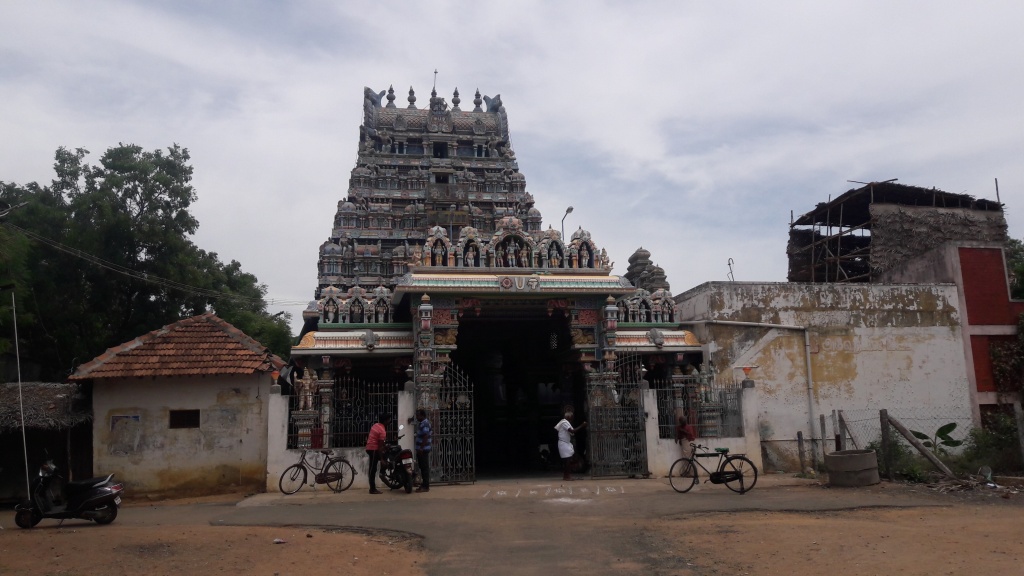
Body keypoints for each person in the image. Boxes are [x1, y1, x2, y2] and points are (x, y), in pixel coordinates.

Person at [554, 406, 587, 481]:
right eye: (572, 417)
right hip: (564, 443)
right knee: (567, 460)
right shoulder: (564, 422)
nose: (572, 419)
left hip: (566, 443)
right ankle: (566, 476)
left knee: (569, 460)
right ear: (569, 417)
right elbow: (572, 431)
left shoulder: (566, 423)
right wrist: (582, 425)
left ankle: (567, 475)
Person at [365, 413, 390, 494]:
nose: (389, 421)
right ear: (385, 421)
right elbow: (379, 447)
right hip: (373, 449)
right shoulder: (382, 431)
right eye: (388, 420)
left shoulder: (375, 425)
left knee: (386, 454)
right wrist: (382, 459)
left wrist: (385, 447)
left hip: (371, 448)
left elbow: (380, 443)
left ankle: (382, 472)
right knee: (372, 469)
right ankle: (372, 489)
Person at [414, 408, 432, 493]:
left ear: (422, 415)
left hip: (423, 449)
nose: (417, 417)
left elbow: (425, 436)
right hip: (422, 449)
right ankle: (424, 484)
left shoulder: (424, 423)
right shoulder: (422, 423)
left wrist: (421, 448)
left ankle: (426, 486)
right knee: (422, 467)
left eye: (418, 415)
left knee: (424, 468)